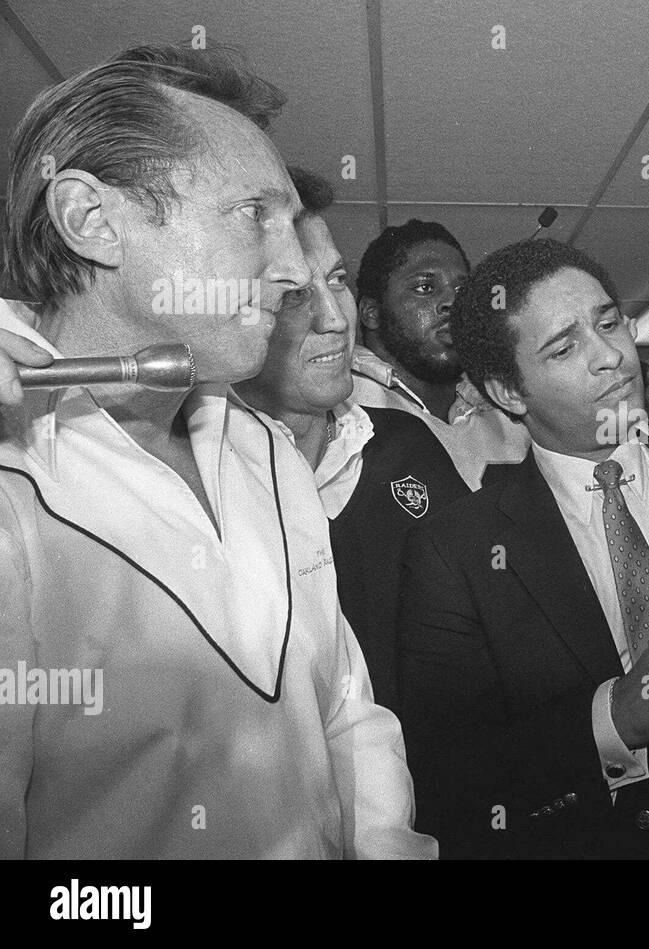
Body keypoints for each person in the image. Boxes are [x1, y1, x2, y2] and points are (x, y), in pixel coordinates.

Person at [0, 44, 435, 859]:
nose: (299, 270)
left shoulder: (267, 454)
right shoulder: (13, 474)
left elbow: (344, 709)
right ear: (92, 222)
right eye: (254, 216)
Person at [396, 238, 649, 858]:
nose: (612, 356)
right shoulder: (457, 553)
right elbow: (450, 771)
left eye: (609, 323)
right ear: (508, 391)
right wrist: (619, 717)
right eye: (565, 346)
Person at [234, 167, 468, 710]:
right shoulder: (206, 483)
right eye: (292, 295)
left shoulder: (409, 445)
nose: (335, 319)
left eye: (336, 279)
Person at [351, 219, 530, 489]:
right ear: (371, 313)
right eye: (425, 287)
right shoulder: (338, 404)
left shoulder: (512, 414)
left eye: (462, 291)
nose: (452, 304)